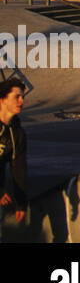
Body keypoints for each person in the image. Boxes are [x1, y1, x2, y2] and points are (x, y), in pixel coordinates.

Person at [0, 78, 28, 240]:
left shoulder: (17, 133)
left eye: (22, 97)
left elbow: (19, 168)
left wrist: (21, 202)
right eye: (16, 97)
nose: (21, 101)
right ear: (3, 99)